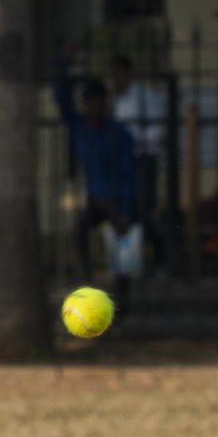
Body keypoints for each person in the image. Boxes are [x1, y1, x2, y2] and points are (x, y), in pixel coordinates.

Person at [53, 69, 137, 294]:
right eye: (92, 103)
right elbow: (62, 100)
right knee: (79, 230)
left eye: (101, 102)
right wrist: (64, 67)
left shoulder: (118, 134)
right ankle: (86, 279)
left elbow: (128, 174)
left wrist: (125, 210)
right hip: (95, 199)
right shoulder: (81, 127)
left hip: (116, 199)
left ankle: (123, 292)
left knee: (122, 244)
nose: (97, 108)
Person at [109, 55, 166, 271]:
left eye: (119, 74)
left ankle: (159, 256)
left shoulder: (144, 95)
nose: (116, 79)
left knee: (143, 210)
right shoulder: (113, 100)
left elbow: (158, 128)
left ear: (127, 73)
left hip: (142, 158)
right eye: (113, 75)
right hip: (120, 161)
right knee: (125, 211)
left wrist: (136, 142)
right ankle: (131, 263)